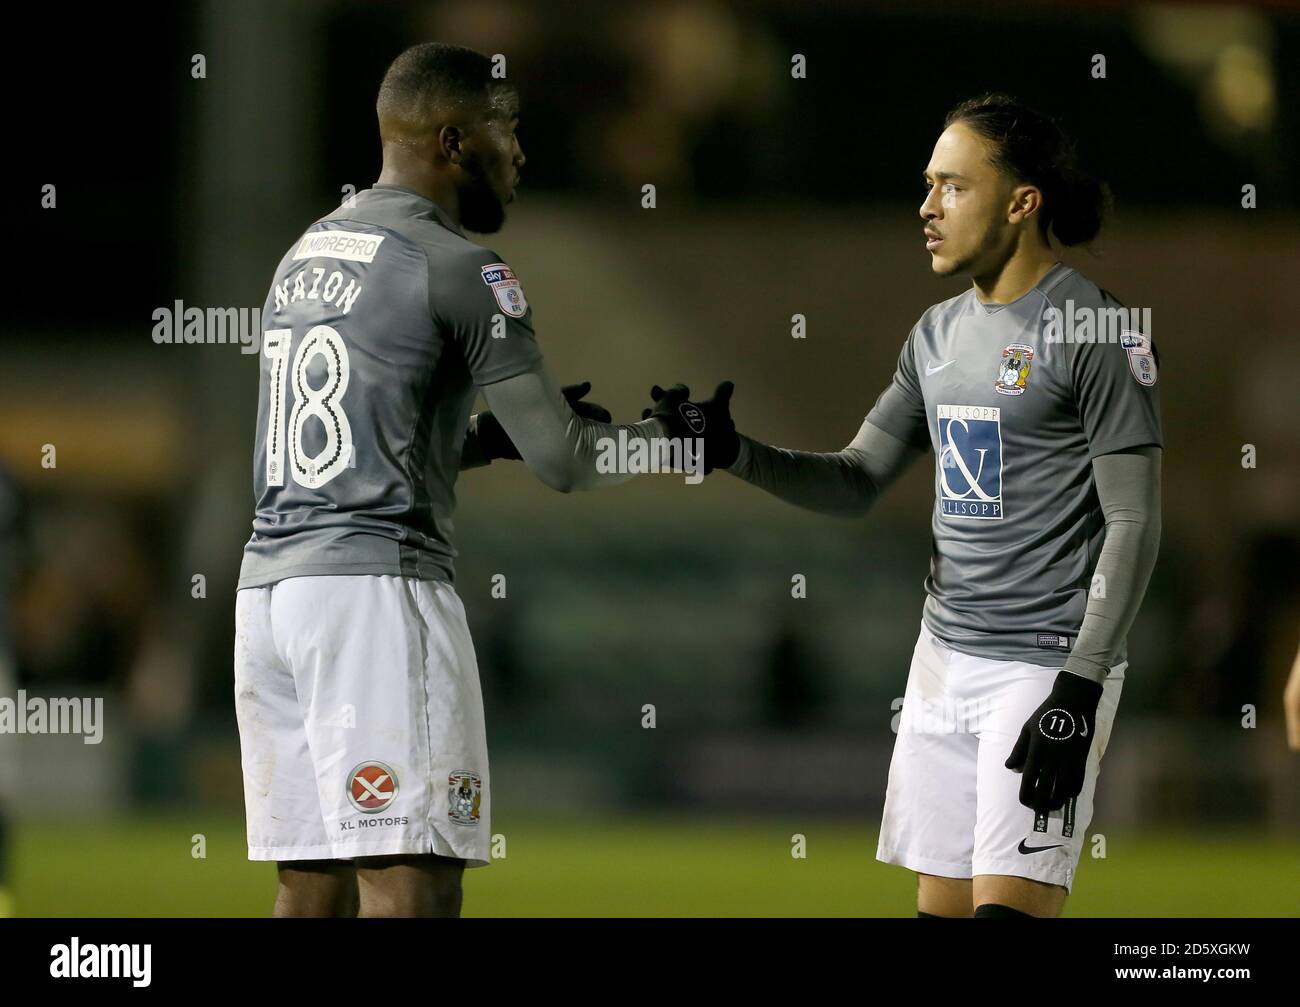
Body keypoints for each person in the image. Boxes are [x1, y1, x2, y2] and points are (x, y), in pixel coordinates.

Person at [648, 94, 1162, 918]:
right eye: (927, 186)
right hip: (943, 658)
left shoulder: (1097, 328)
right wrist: (732, 452)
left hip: (1045, 663)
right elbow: (855, 479)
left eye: (953, 187)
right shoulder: (934, 334)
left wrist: (1080, 686)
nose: (926, 208)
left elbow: (1134, 520)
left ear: (1023, 202)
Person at [234, 43, 670, 917]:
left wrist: (476, 441)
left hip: (270, 598)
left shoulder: (306, 251)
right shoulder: (462, 268)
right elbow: (569, 461)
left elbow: (356, 437)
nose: (521, 154)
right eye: (508, 130)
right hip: (374, 597)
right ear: (454, 138)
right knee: (412, 887)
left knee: (309, 891)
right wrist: (678, 441)